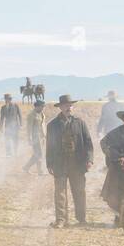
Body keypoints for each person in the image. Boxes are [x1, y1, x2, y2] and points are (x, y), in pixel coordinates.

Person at [45, 95, 93, 227]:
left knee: (79, 191)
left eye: (70, 105)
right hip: (60, 163)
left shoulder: (80, 123)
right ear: (60, 107)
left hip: (77, 164)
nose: (68, 108)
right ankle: (61, 220)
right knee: (60, 193)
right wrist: (49, 163)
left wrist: (89, 159)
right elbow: (49, 145)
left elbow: (88, 143)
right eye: (65, 105)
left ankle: (81, 219)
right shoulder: (52, 125)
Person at [23, 101, 46, 174]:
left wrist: (44, 136)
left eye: (43, 106)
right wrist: (29, 139)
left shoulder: (42, 114)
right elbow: (28, 128)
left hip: (41, 137)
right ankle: (38, 170)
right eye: (42, 106)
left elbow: (43, 125)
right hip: (35, 137)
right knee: (39, 154)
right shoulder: (31, 115)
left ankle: (27, 167)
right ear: (37, 106)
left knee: (38, 154)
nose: (43, 108)